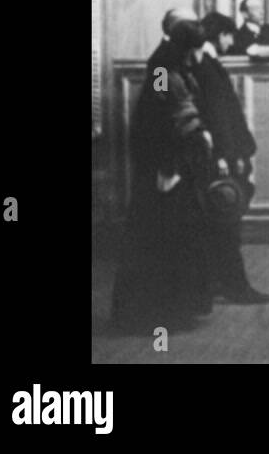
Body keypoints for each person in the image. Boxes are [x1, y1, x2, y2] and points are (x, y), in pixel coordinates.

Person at [111, 18, 216, 333]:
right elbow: (159, 120)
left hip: (174, 164)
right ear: (188, 49)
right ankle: (153, 313)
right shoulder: (162, 73)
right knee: (160, 238)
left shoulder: (170, 68)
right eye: (198, 50)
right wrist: (168, 165)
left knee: (173, 238)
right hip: (165, 168)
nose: (201, 56)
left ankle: (171, 309)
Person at [195, 12, 269, 304]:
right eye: (228, 35)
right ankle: (235, 286)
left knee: (222, 219)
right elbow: (219, 117)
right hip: (226, 155)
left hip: (225, 153)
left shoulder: (205, 63)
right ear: (220, 35)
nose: (231, 40)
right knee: (227, 220)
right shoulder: (207, 65)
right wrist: (232, 155)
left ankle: (218, 281)